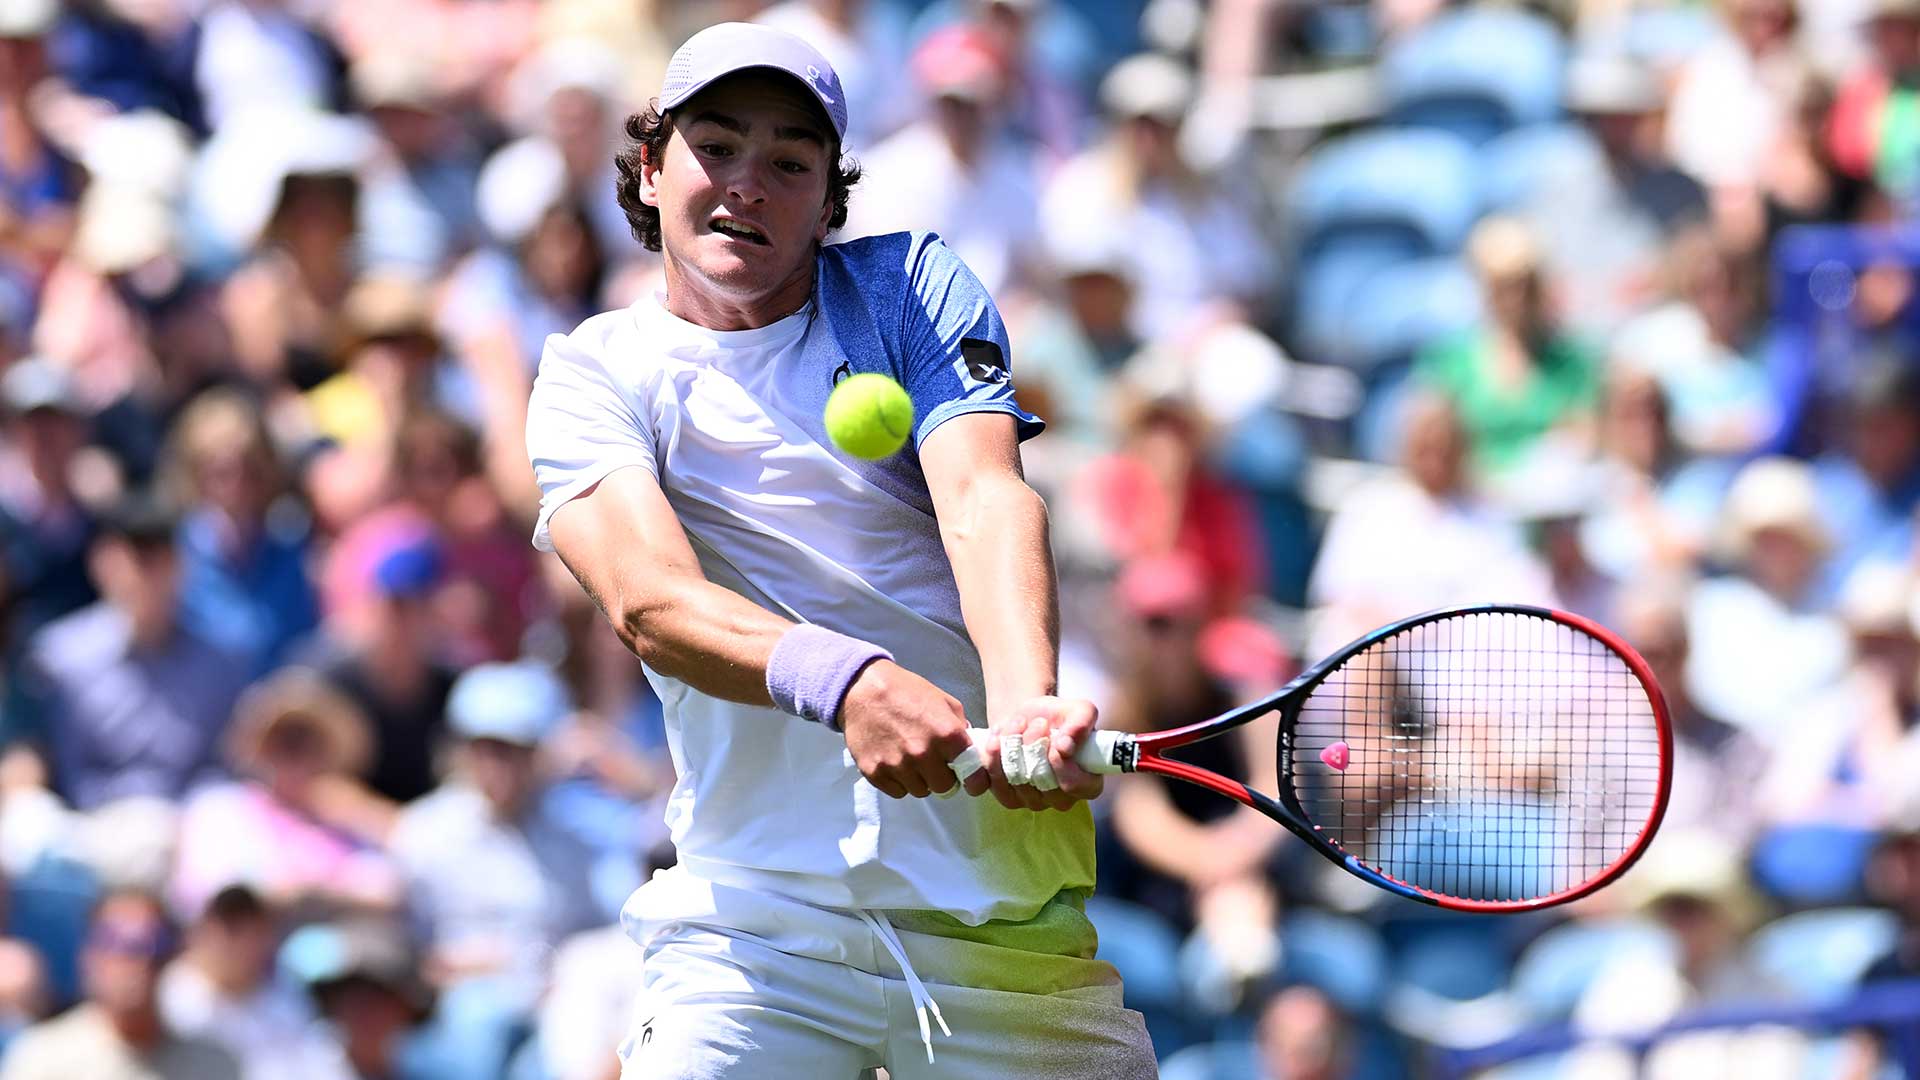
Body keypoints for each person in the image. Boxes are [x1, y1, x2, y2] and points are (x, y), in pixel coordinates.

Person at [526, 22, 1153, 1077]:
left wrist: (1025, 703)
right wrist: (847, 682)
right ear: (650, 169)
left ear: (828, 202)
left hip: (1000, 930)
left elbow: (984, 497)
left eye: (789, 162)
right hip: (753, 933)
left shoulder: (907, 288)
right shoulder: (595, 371)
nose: (747, 183)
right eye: (716, 147)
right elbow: (649, 602)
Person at [0, 890, 240, 1080]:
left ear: (170, 955)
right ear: (88, 955)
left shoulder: (215, 1065)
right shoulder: (41, 1059)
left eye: (152, 943)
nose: (135, 959)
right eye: (115, 940)